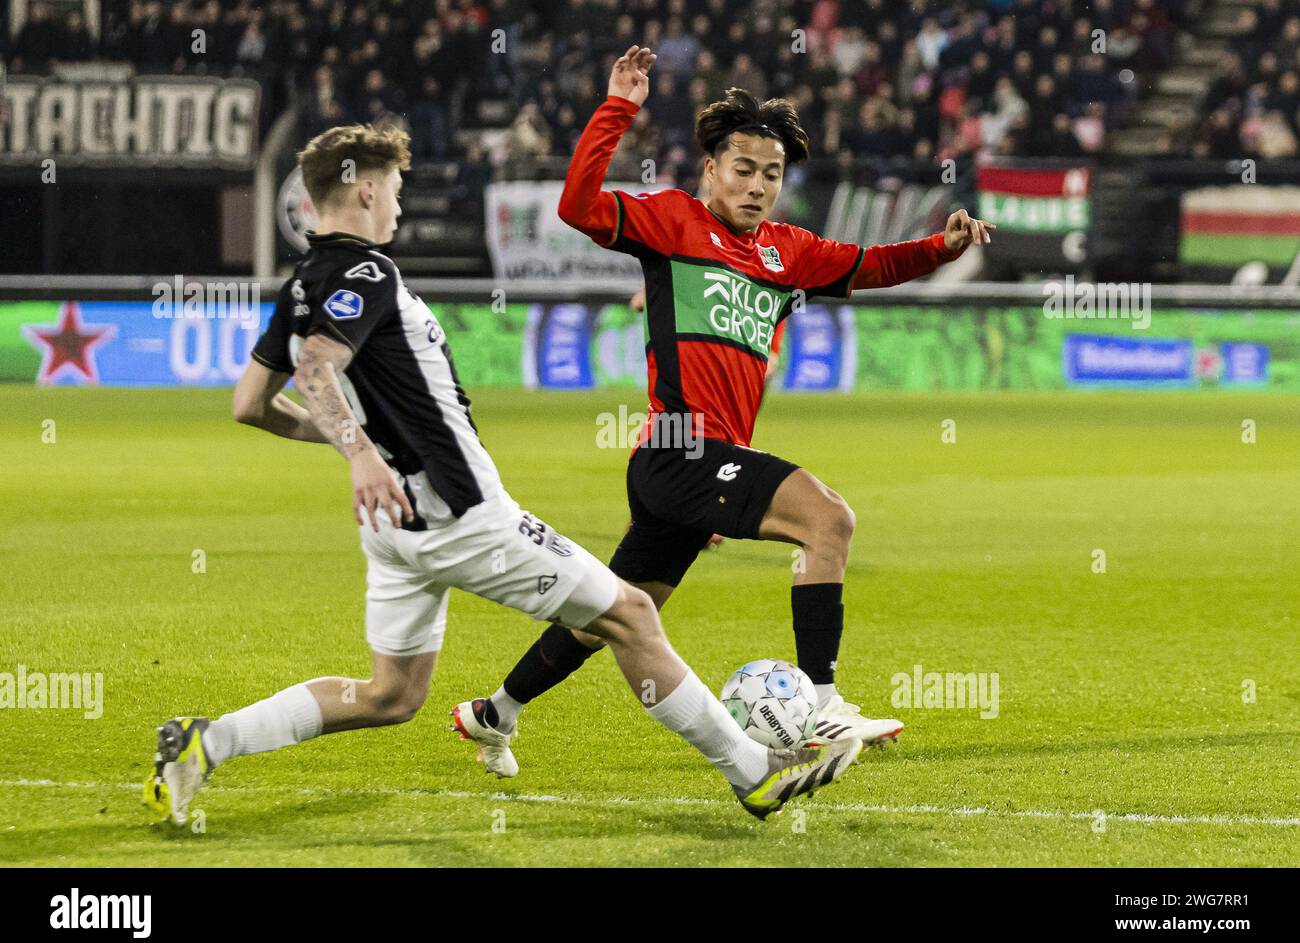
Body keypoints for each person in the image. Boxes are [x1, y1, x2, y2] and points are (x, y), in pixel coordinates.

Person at [143, 123, 867, 826]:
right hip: (462, 514)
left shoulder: (302, 283)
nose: (399, 201)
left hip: (395, 528)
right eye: (394, 186)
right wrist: (362, 453)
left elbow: (250, 404)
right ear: (362, 189)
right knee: (631, 614)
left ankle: (207, 742)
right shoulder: (366, 271)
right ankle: (754, 773)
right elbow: (313, 370)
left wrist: (367, 452)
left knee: (390, 696)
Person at [454, 46, 994, 778]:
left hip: (689, 468)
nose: (758, 186)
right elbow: (576, 206)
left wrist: (942, 246)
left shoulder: (786, 252)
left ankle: (494, 713)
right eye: (743, 168)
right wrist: (618, 105)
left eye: (772, 174)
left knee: (614, 615)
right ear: (710, 168)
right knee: (828, 518)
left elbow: (871, 265)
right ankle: (824, 701)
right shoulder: (670, 222)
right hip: (680, 450)